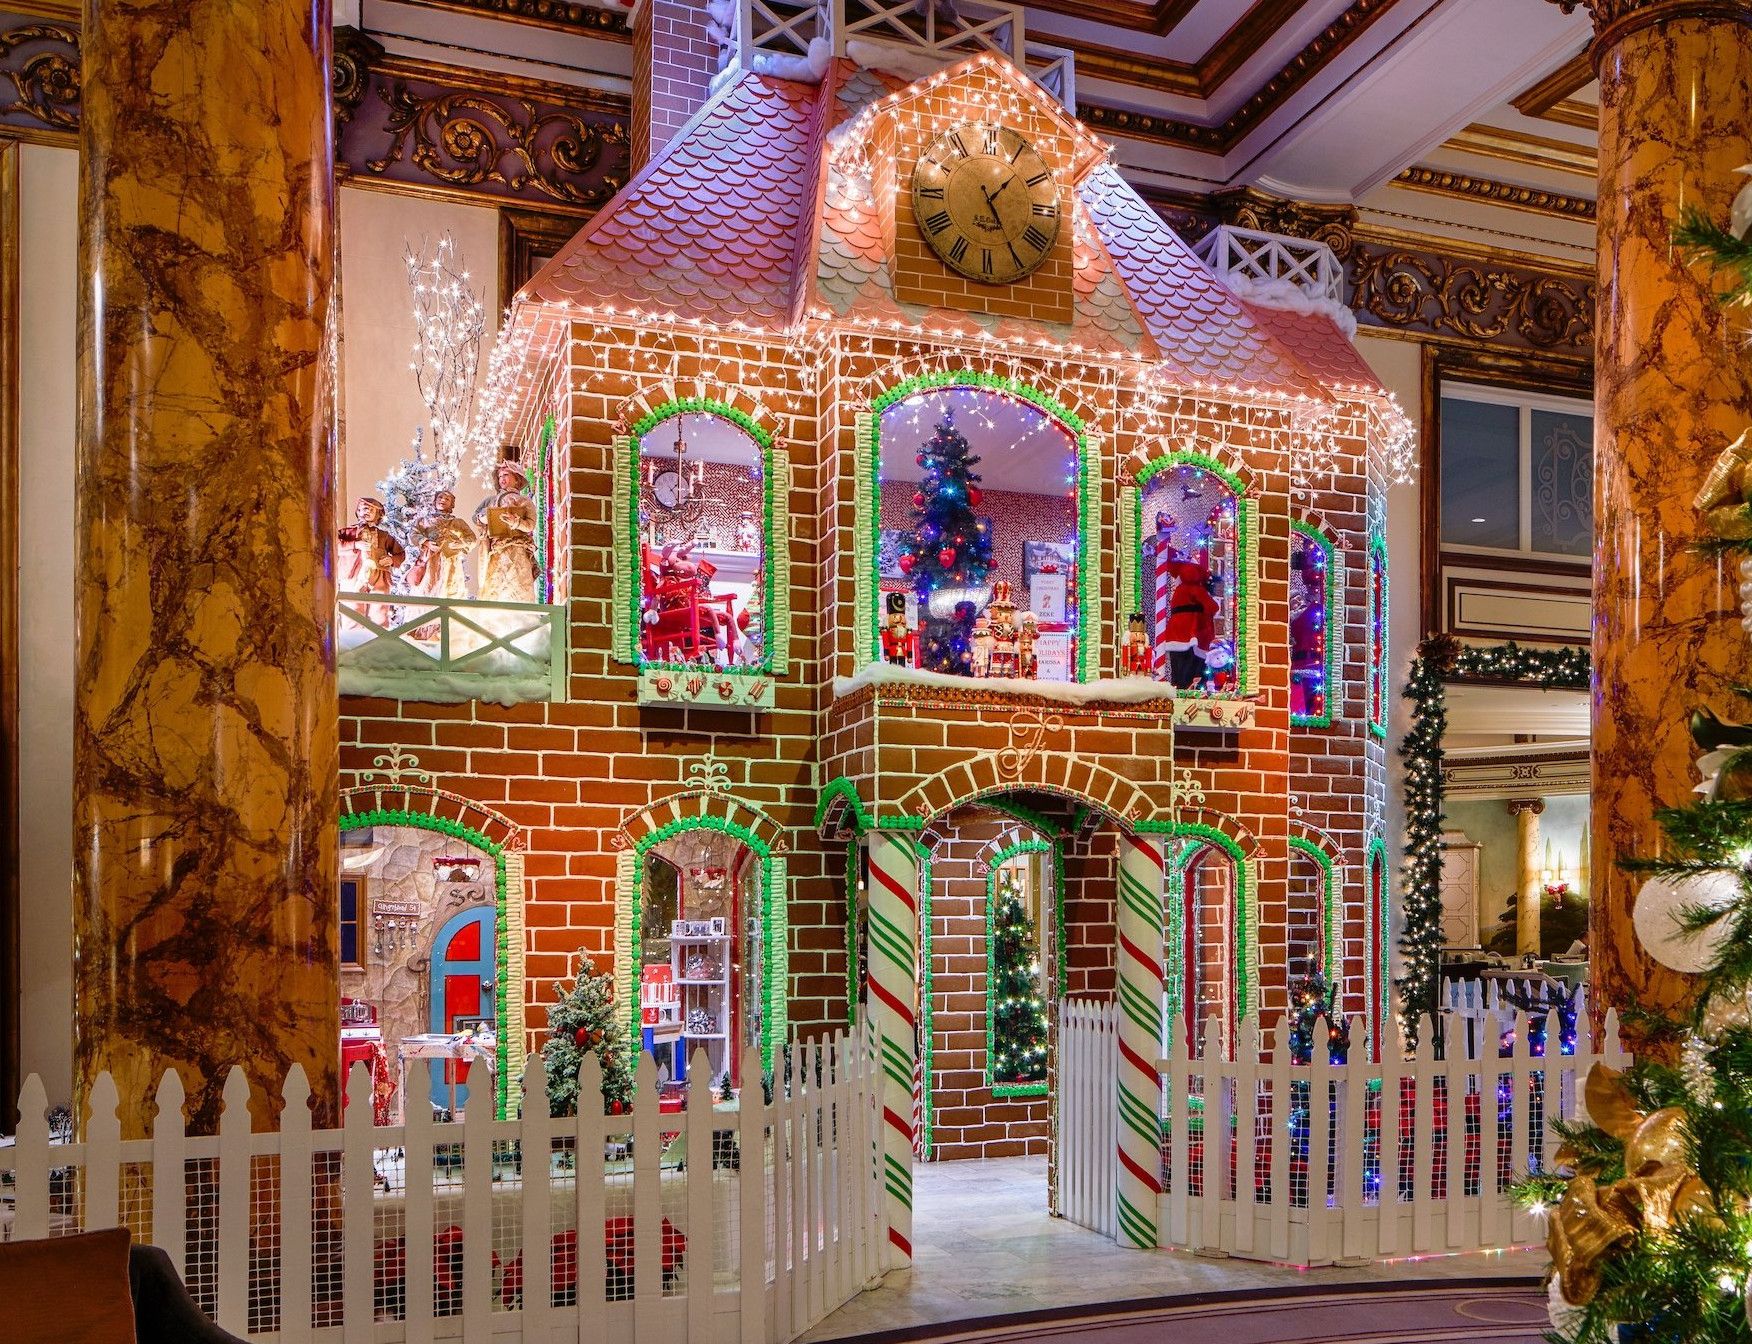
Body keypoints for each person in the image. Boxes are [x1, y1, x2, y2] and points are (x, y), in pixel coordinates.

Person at [474, 450, 538, 604]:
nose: (502, 479)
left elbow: (530, 525)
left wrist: (516, 523)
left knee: (516, 581)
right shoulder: (490, 501)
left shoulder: (523, 501)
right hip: (496, 549)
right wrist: (483, 518)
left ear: (517, 479)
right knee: (495, 582)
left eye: (506, 475)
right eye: (500, 476)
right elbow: (476, 516)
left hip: (516, 549)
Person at [339, 496, 405, 627]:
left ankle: (378, 638)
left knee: (379, 609)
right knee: (353, 608)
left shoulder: (384, 536)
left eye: (371, 510)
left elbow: (401, 553)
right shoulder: (346, 533)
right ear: (358, 511)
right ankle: (353, 637)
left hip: (379, 575)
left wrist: (392, 560)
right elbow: (333, 546)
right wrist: (354, 545)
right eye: (364, 509)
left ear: (377, 515)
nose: (367, 512)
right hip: (354, 573)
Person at [409, 490, 478, 603]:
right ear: (435, 500)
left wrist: (461, 543)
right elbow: (413, 533)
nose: (442, 500)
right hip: (430, 559)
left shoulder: (458, 522)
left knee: (450, 586)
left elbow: (472, 538)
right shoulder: (425, 521)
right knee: (429, 585)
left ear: (451, 504)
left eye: (447, 499)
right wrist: (426, 542)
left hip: (451, 561)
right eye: (440, 497)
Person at [1162, 555, 1218, 690]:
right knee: (1193, 667)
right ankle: (1192, 689)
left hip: (1175, 633)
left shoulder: (1178, 590)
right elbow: (1213, 607)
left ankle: (1177, 686)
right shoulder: (1196, 589)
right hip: (1194, 634)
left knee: (1178, 666)